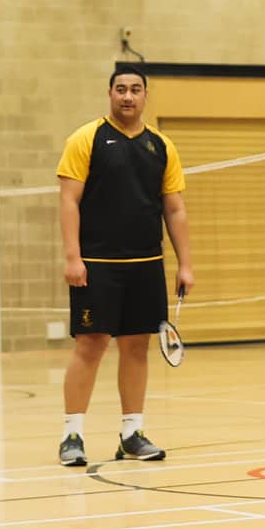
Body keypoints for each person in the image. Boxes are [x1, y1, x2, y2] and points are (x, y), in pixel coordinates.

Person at [57, 63, 193, 465]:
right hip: (96, 263)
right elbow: (69, 201)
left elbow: (175, 209)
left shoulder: (162, 146)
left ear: (145, 96)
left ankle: (132, 434)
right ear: (110, 94)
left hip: (146, 263)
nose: (128, 96)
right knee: (91, 345)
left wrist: (185, 264)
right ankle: (72, 436)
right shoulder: (87, 139)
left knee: (137, 348)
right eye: (121, 89)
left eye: (135, 89)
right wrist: (72, 257)